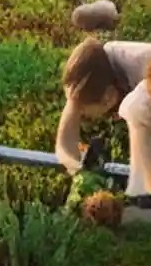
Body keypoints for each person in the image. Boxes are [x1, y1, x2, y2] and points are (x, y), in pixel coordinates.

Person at [55, 38, 151, 180]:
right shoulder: (96, 66)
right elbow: (65, 144)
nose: (84, 117)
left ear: (109, 98)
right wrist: (79, 169)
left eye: (85, 114)